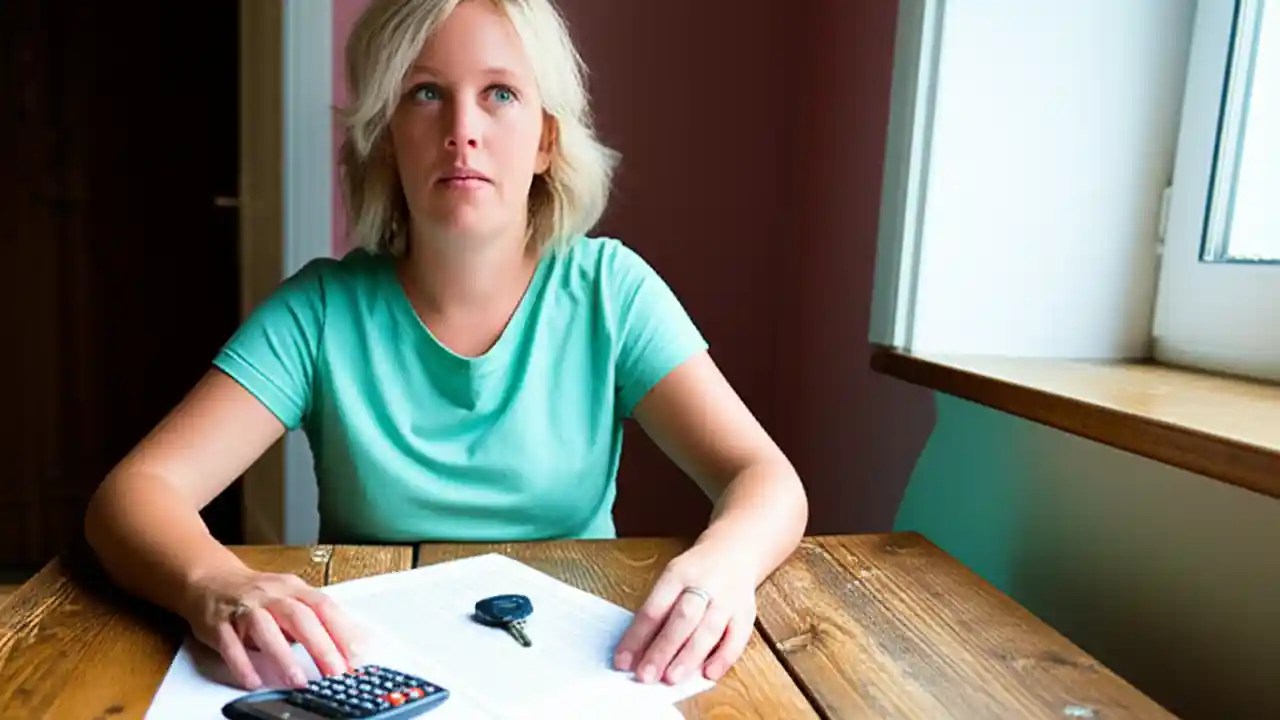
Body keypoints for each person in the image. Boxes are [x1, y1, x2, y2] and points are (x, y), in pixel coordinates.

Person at [83, 0, 807, 694]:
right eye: (425, 93)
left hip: (577, 671)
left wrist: (725, 564)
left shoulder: (611, 291)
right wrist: (214, 581)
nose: (463, 128)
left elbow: (764, 478)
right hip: (370, 673)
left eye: (500, 94)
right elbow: (135, 496)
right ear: (386, 136)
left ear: (546, 141)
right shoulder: (321, 311)